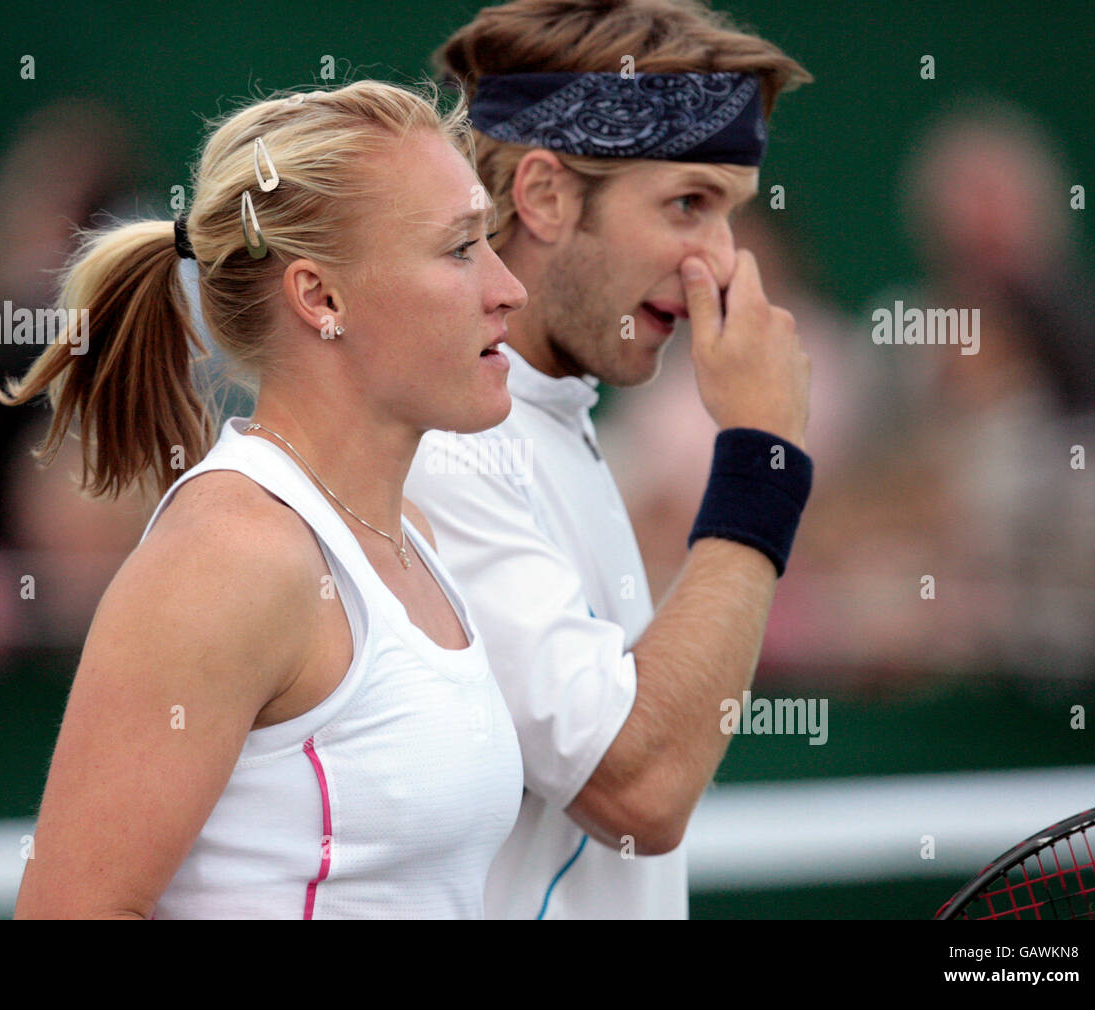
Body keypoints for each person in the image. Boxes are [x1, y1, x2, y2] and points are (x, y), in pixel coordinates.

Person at [3, 80, 529, 919]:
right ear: (321, 298)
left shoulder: (408, 537)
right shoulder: (233, 558)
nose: (509, 289)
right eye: (461, 250)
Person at [404, 0, 814, 918]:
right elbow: (640, 789)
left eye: (730, 215)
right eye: (687, 205)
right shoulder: (444, 445)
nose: (719, 263)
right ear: (544, 195)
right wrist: (763, 455)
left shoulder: (545, 421)